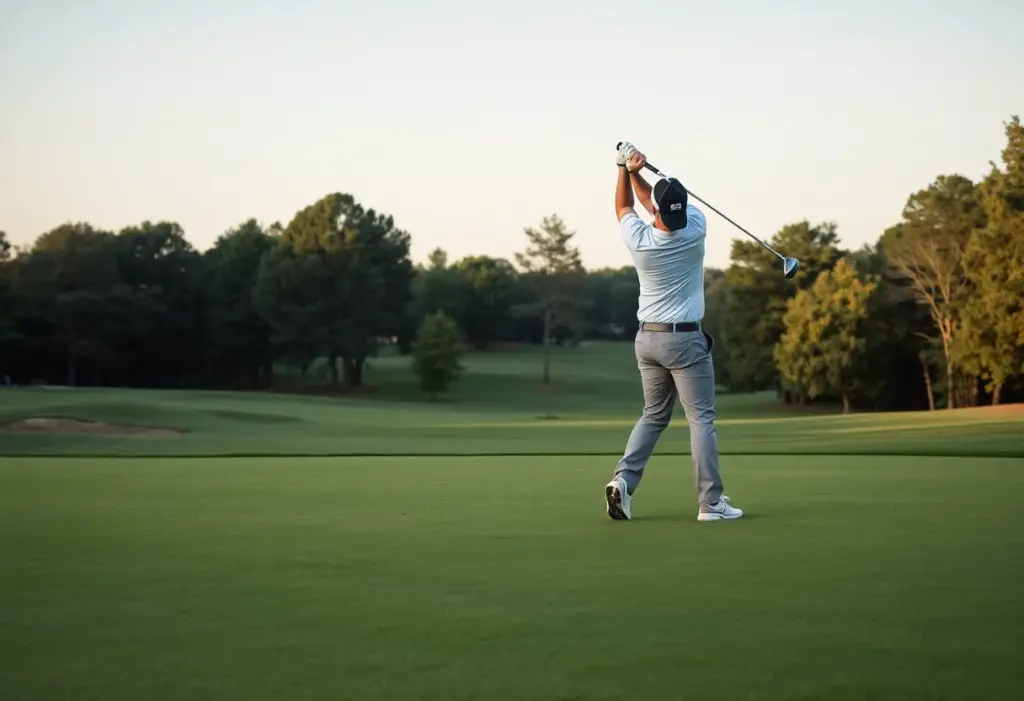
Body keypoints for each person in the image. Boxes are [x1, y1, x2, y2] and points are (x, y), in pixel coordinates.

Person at [604, 142, 743, 522]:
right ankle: (710, 504)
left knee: (653, 415)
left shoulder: (641, 241)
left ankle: (623, 481)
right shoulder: (696, 228)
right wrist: (639, 174)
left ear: (657, 214)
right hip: (685, 341)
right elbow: (654, 204)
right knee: (701, 420)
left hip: (647, 340)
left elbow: (626, 207)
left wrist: (625, 170)